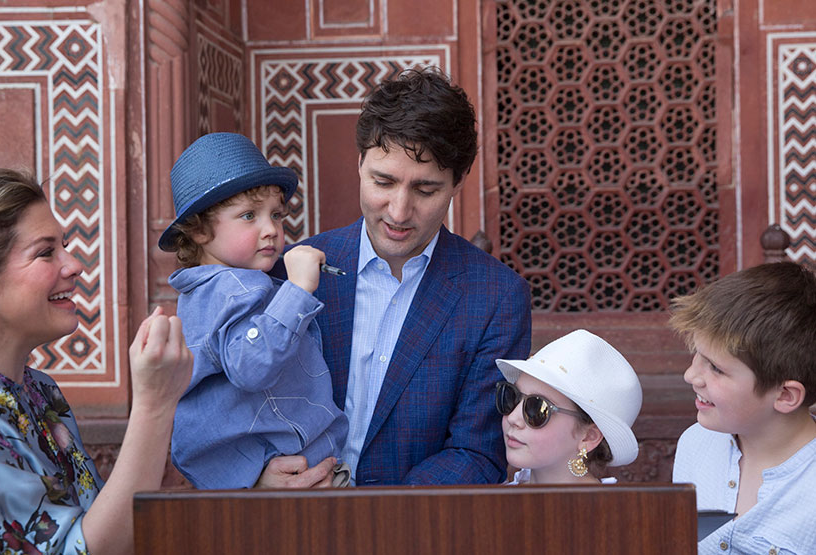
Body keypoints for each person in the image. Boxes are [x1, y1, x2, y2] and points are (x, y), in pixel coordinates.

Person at [260, 66, 533, 487]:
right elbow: (235, 400)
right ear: (359, 163)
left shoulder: (496, 296)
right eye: (383, 181)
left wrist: (379, 522)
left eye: (425, 190)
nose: (399, 212)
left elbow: (477, 453)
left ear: (458, 183)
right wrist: (256, 475)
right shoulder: (293, 268)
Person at [0, 168, 192, 555]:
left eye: (65, 246)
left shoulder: (39, 391)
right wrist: (154, 405)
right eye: (45, 253)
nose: (73, 265)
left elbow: (104, 522)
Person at [158, 132, 349, 489]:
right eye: (248, 216)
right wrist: (297, 290)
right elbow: (252, 366)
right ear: (199, 230)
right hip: (290, 470)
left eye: (276, 215)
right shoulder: (232, 287)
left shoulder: (205, 292)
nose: (271, 230)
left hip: (251, 475)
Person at [670, 262, 816, 554]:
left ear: (785, 396)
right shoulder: (695, 443)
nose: (692, 376)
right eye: (697, 355)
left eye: (716, 368)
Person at [495, 329, 642, 484]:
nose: (512, 418)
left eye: (537, 408)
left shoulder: (611, 508)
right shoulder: (491, 503)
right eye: (512, 397)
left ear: (588, 437)